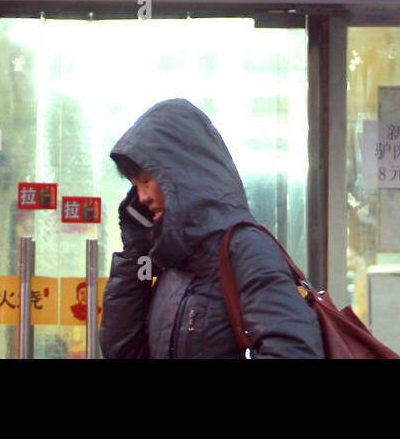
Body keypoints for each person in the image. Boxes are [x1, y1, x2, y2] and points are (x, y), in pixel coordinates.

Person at [99, 99, 323, 358]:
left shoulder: (247, 250)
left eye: (147, 180)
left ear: (182, 176)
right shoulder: (169, 260)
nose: (141, 197)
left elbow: (293, 352)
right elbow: (123, 351)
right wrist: (137, 255)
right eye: (135, 185)